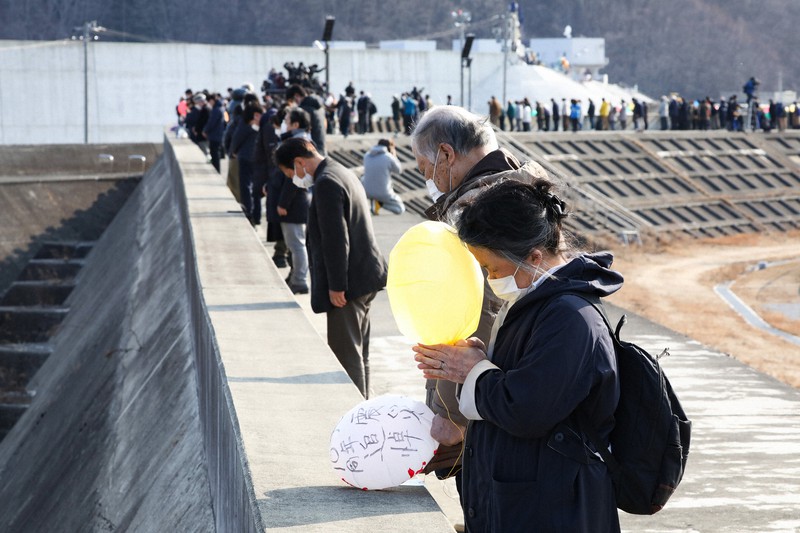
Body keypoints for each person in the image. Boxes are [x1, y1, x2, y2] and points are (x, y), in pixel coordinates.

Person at [413, 176, 622, 532]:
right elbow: (521, 381)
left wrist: (475, 371)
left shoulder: (571, 319)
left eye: (494, 269)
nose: (491, 278)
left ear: (534, 257)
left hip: (556, 512)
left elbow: (528, 410)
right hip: (527, 504)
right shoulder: (535, 304)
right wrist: (479, 361)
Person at [410, 104, 549, 496]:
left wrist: (448, 412)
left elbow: (475, 313)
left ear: (446, 154)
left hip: (486, 388)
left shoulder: (474, 210)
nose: (430, 180)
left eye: (426, 168)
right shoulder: (521, 188)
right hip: (523, 378)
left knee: (486, 489)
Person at [274, 138, 388, 399]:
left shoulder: (326, 183)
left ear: (299, 162)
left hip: (348, 284)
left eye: (290, 173)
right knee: (361, 354)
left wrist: (337, 286)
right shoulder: (341, 171)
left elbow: (336, 239)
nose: (294, 178)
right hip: (366, 275)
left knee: (347, 357)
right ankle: (365, 406)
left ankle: (355, 415)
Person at [229, 103, 264, 225]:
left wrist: (233, 152)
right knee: (256, 187)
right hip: (258, 159)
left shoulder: (244, 126)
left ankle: (249, 211)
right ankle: (257, 215)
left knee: (245, 186)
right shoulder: (263, 126)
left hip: (245, 158)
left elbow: (236, 140)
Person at [361, 138, 405, 215]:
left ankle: (375, 204)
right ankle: (380, 203)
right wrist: (394, 155)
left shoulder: (367, 155)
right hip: (383, 192)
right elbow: (398, 170)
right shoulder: (388, 157)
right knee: (400, 209)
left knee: (365, 178)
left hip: (366, 191)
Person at [286, 84, 327, 155]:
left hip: (312, 150)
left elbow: (298, 130)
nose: (293, 104)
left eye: (292, 101)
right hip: (322, 147)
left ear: (296, 96)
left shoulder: (304, 110)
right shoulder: (318, 106)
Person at [203, 93, 225, 173]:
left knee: (215, 154)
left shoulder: (216, 110)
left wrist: (205, 130)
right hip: (219, 134)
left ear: (212, 100)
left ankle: (216, 171)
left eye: (209, 101)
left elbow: (211, 122)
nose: (209, 103)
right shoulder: (221, 108)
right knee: (216, 154)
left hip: (215, 135)